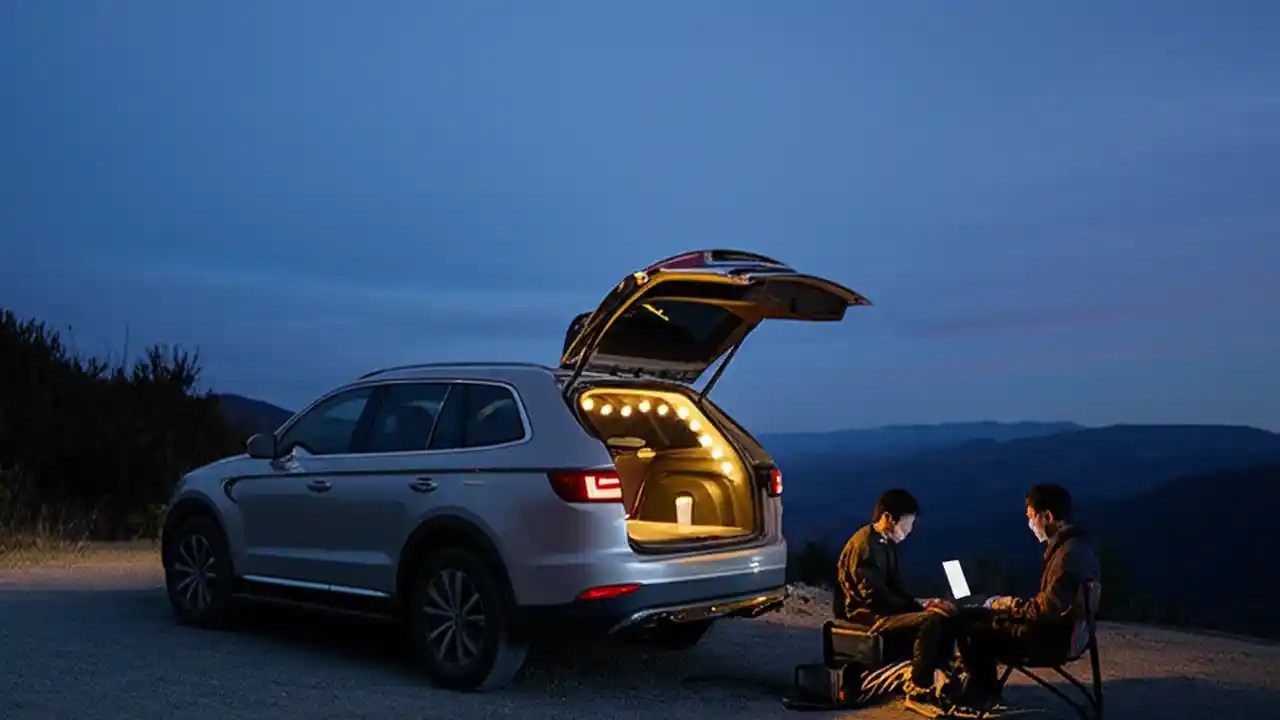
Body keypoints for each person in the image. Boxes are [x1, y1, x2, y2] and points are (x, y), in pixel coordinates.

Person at [956, 483, 1102, 713]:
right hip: (1072, 635)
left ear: (1048, 516)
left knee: (973, 631)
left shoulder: (1068, 556)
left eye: (1031, 517)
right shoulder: (1077, 546)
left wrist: (1009, 605)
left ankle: (979, 698)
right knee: (985, 619)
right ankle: (985, 693)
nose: (1030, 524)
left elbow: (1045, 610)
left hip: (1053, 642)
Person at [836, 488, 959, 717]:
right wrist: (919, 610)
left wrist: (923, 605)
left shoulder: (885, 545)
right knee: (930, 622)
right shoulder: (865, 546)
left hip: (883, 610)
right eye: (907, 523)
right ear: (888, 518)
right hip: (869, 615)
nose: (909, 530)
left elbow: (896, 589)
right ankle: (919, 688)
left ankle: (945, 678)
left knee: (943, 617)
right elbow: (875, 596)